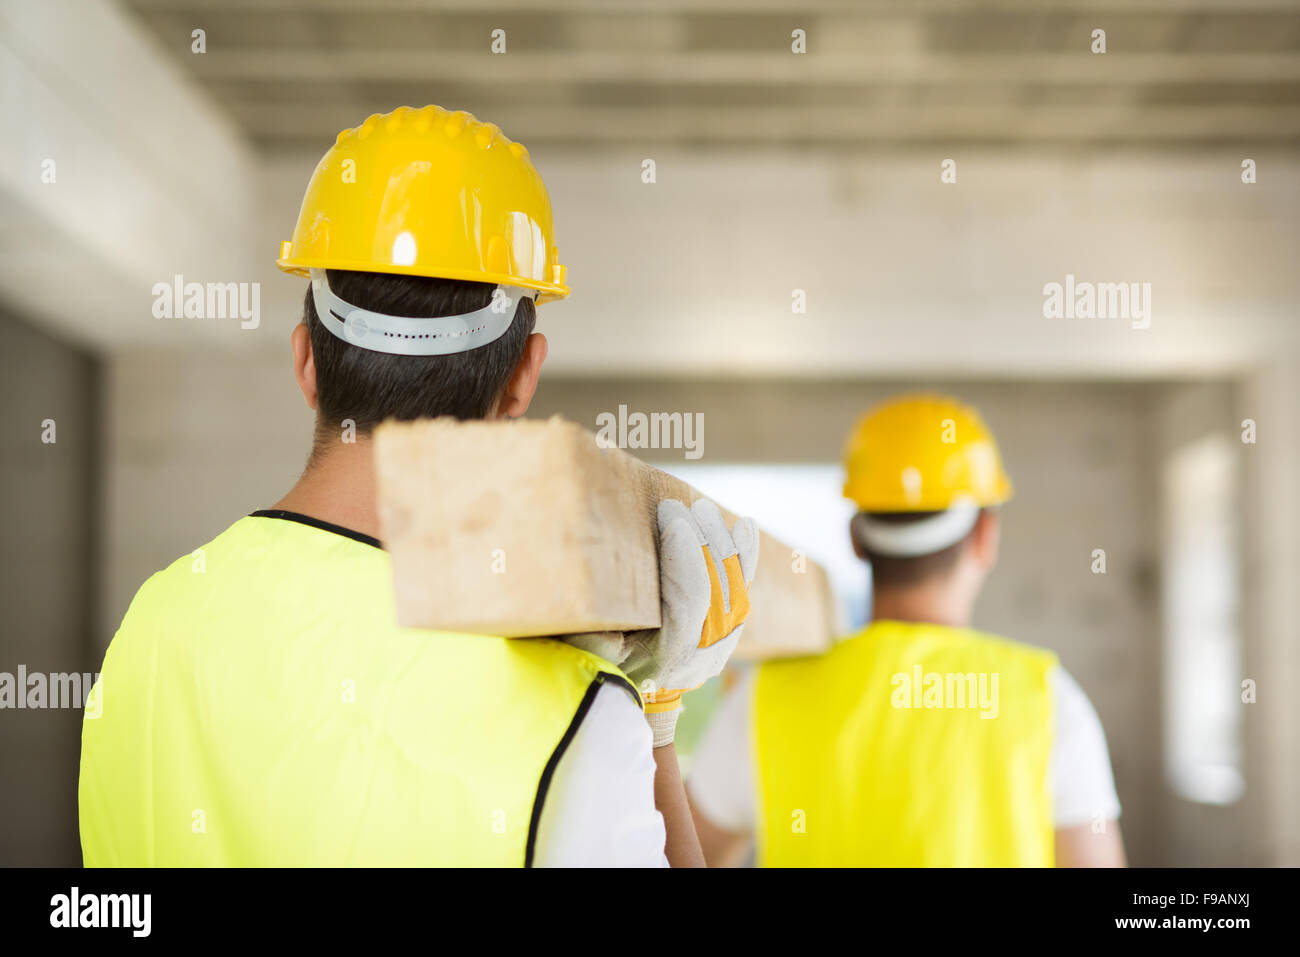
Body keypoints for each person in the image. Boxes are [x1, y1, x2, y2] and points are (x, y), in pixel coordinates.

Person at [79, 105, 756, 867]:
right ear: (522, 377)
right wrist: (656, 719)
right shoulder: (571, 709)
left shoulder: (149, 630)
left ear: (306, 360)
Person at [688, 393, 1125, 867]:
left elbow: (689, 858)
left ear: (856, 539)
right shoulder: (1049, 701)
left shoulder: (764, 697)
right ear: (985, 536)